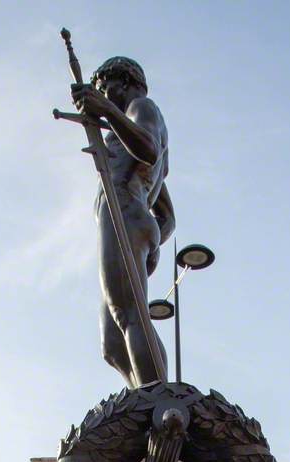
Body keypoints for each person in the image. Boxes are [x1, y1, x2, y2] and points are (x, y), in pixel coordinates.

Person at [72, 55, 175, 387]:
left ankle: (157, 401)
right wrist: (150, 241)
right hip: (130, 218)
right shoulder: (126, 128)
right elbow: (168, 217)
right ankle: (140, 398)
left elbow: (148, 150)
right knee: (113, 344)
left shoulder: (141, 108)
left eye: (105, 87)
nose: (102, 94)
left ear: (126, 82)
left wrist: (107, 111)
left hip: (125, 212)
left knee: (129, 314)